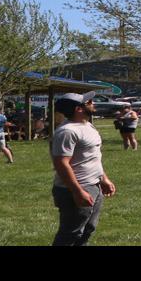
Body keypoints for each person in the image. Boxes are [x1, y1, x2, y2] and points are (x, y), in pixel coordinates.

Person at [50, 93, 117, 246]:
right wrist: (77, 190)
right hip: (75, 188)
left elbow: (92, 157)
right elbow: (61, 163)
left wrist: (103, 178)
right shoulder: (67, 131)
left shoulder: (87, 125)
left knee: (88, 229)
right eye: (89, 101)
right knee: (71, 233)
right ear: (78, 109)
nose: (93, 102)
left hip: (94, 185)